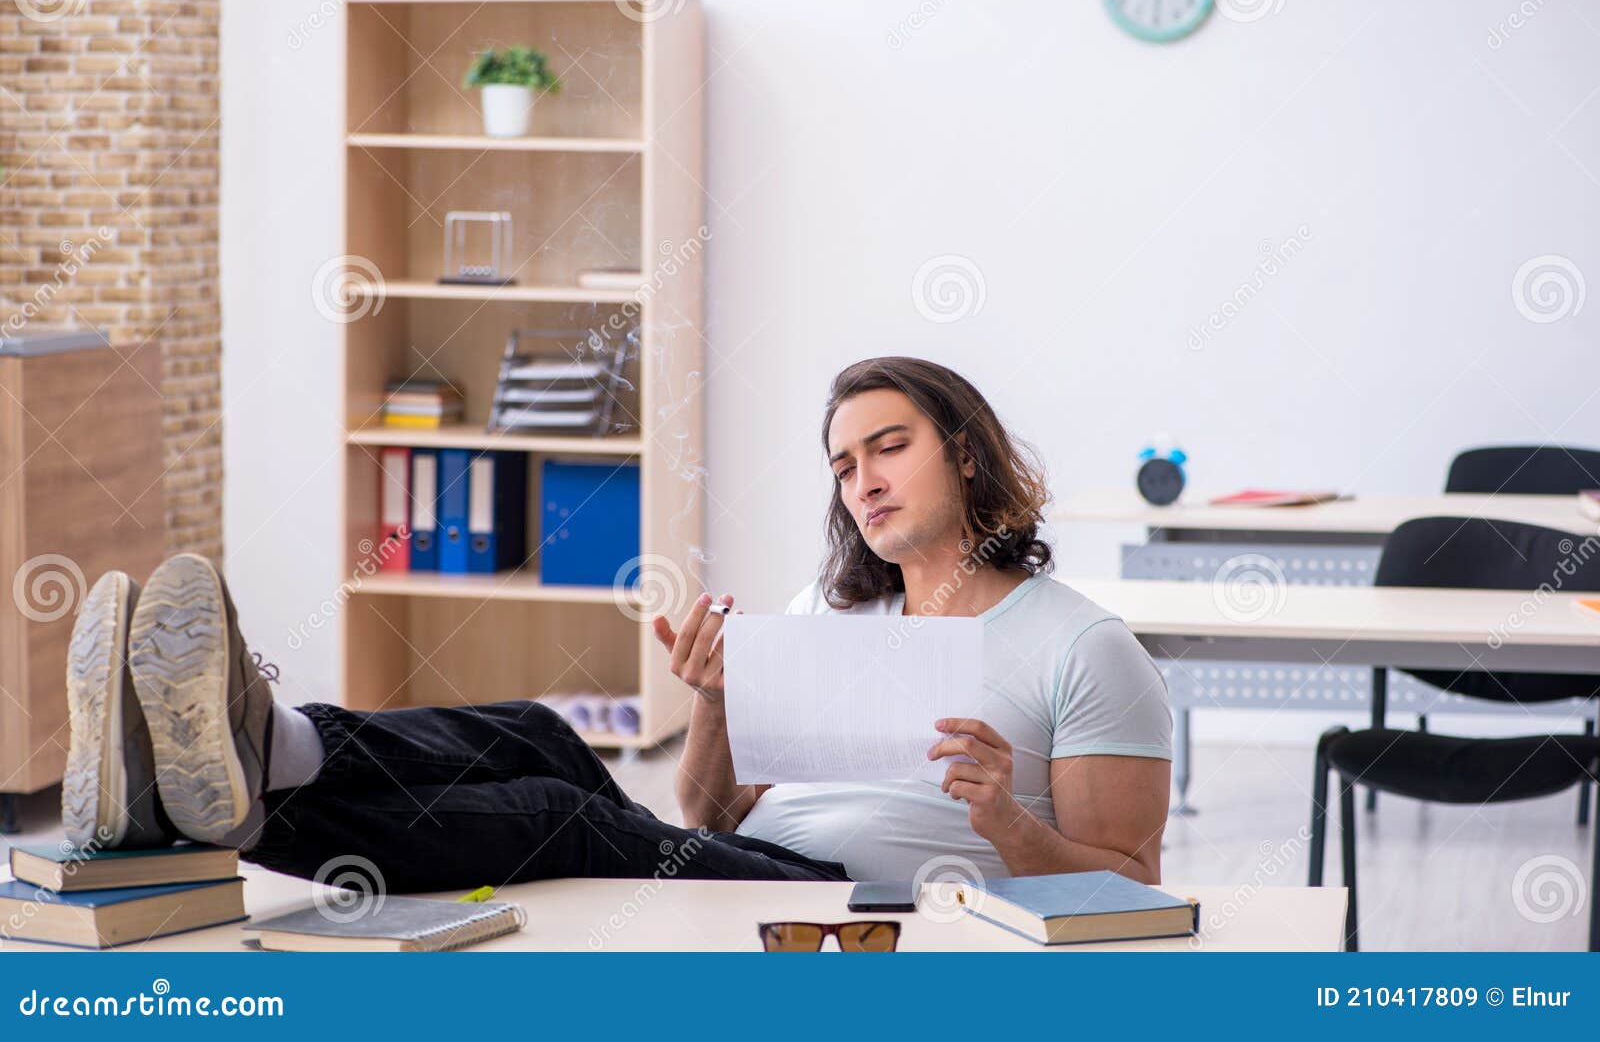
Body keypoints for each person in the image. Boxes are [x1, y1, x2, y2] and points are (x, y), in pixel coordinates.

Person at [61, 356, 1171, 892]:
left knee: (567, 818)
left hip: (867, 914)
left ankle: (249, 815)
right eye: (843, 464)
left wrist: (1003, 823)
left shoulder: (1082, 648)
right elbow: (711, 807)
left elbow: (1131, 880)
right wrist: (717, 702)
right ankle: (268, 749)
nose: (863, 480)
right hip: (747, 858)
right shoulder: (829, 612)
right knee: (543, 734)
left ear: (964, 452)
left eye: (889, 447)